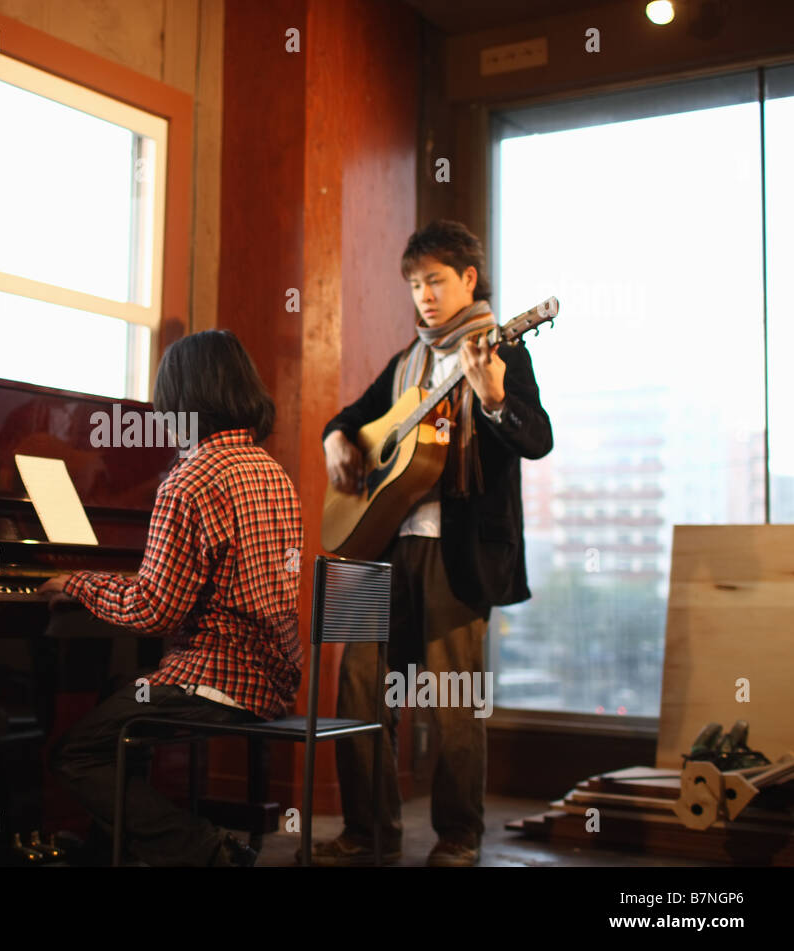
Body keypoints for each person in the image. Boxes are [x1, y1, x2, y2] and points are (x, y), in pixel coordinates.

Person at [314, 220, 552, 867]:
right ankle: (367, 833)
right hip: (378, 546)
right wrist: (337, 440)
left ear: (469, 279)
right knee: (357, 689)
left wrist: (494, 394)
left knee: (453, 704)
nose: (423, 295)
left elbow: (537, 439)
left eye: (435, 281)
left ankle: (458, 837)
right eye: (415, 284)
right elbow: (349, 420)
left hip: (459, 551)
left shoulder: (504, 352)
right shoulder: (404, 363)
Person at [38, 330, 303, 867]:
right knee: (122, 703)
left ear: (181, 399)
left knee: (79, 752)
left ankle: (209, 852)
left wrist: (76, 583)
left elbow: (154, 609)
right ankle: (111, 849)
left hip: (220, 678)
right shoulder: (270, 470)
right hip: (275, 674)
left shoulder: (190, 479)